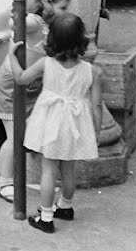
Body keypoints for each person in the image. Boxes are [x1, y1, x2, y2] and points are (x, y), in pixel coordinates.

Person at [10, 12, 102, 234]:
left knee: (49, 170)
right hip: (75, 125)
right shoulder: (92, 72)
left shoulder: (46, 63)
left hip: (50, 123)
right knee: (69, 168)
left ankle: (46, 216)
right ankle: (66, 207)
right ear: (82, 40)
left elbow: (20, 78)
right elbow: (97, 106)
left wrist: (12, 55)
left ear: (52, 40)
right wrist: (95, 133)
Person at [0, 0, 73, 203]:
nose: (66, 13)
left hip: (29, 85)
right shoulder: (35, 21)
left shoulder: (45, 24)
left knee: (29, 132)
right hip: (11, 86)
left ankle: (24, 176)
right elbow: (16, 20)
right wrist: (18, 12)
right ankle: (5, 182)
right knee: (14, 137)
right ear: (46, 2)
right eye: (63, 7)